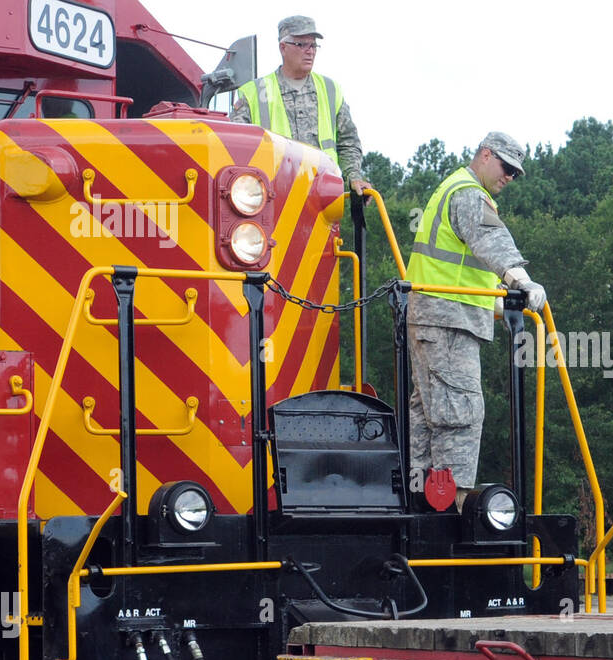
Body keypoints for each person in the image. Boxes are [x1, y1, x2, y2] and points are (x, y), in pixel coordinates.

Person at [404, 132, 546, 510]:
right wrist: (521, 280)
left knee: (427, 413)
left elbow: (461, 272)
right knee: (460, 413)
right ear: (485, 155)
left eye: (516, 173)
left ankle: (418, 502)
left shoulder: (450, 189)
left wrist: (500, 306)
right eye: (506, 167)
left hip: (436, 316)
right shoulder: (467, 193)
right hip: (448, 322)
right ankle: (455, 508)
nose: (510, 178)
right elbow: (491, 242)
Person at [232, 16, 371, 194]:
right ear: (283, 47)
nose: (310, 51)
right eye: (301, 45)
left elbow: (348, 142)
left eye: (313, 45)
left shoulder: (330, 90)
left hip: (323, 200)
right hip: (273, 199)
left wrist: (354, 177)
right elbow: (237, 149)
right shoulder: (253, 93)